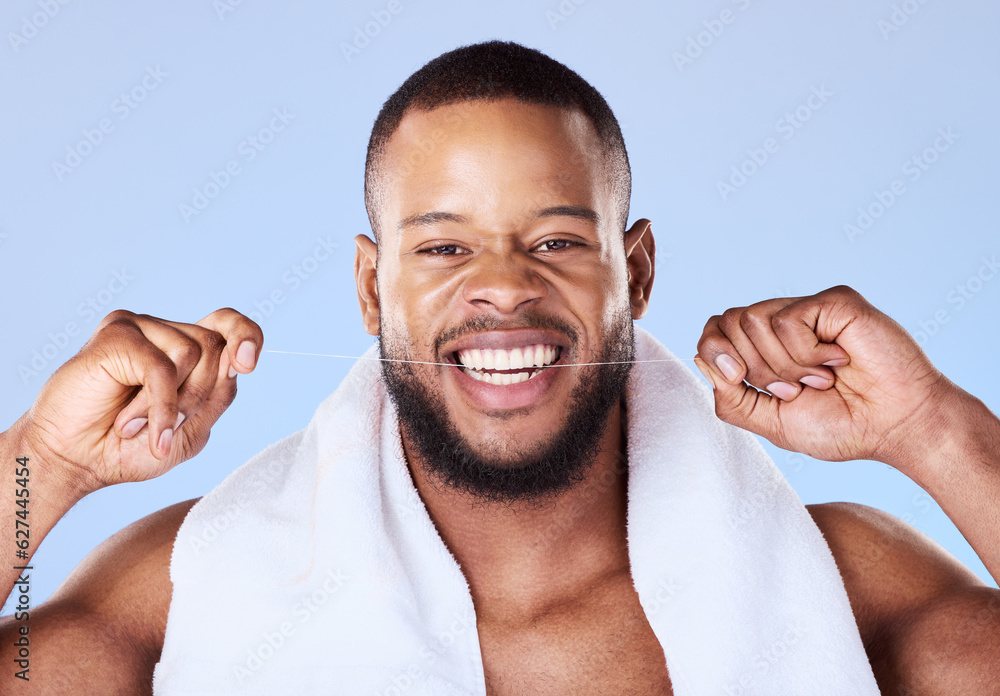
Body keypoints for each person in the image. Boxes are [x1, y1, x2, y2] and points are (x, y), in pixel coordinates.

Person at [1, 40, 998, 694]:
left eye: (559, 242)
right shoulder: (189, 590)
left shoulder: (836, 584)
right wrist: (47, 464)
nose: (504, 289)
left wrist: (934, 431)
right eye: (441, 248)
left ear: (635, 271)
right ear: (368, 287)